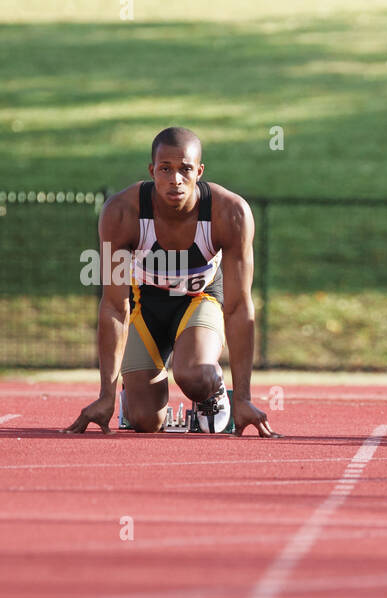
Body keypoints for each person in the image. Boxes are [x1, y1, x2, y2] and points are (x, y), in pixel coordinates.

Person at [63, 127, 276, 436]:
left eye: (185, 169)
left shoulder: (230, 213)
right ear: (152, 171)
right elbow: (113, 305)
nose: (175, 179)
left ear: (199, 172)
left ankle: (212, 393)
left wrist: (243, 397)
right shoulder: (122, 213)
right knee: (146, 421)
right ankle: (131, 398)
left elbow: (240, 306)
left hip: (199, 299)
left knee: (194, 375)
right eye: (165, 169)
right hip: (144, 305)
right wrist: (105, 396)